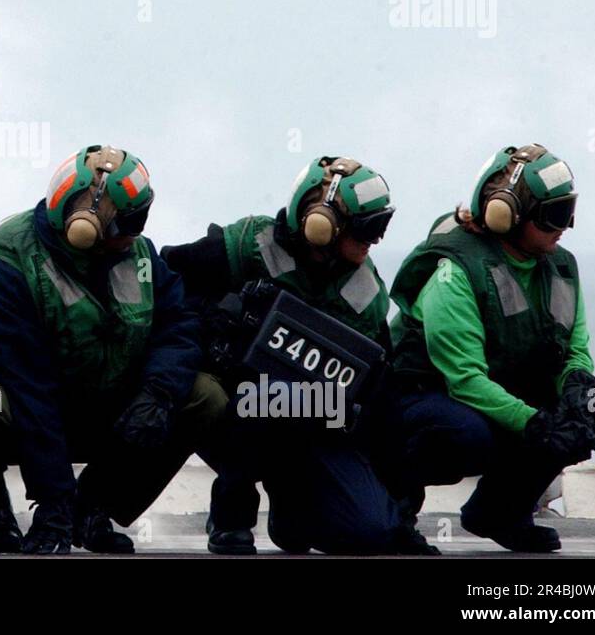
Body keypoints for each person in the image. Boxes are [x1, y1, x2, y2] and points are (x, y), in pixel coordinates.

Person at [0, 145, 228, 554]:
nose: (138, 231)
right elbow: (29, 385)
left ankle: (93, 507)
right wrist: (53, 501)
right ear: (89, 223)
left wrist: (157, 394)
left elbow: (178, 327)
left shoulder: (136, 254)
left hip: (100, 404)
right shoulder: (6, 267)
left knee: (203, 396)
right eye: (132, 219)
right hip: (25, 410)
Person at [163, 155, 432, 555]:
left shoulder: (365, 290)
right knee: (260, 402)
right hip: (236, 404)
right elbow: (169, 278)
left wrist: (402, 514)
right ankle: (231, 515)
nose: (374, 241)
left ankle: (293, 512)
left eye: (381, 227)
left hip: (317, 418)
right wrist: (219, 322)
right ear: (322, 222)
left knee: (371, 533)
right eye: (366, 228)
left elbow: (380, 392)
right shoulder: (249, 246)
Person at [388, 144, 595, 552]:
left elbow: (575, 348)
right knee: (465, 435)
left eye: (569, 211)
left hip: (497, 392)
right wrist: (538, 425)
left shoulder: (560, 267)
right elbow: (465, 379)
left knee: (593, 404)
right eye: (555, 216)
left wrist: (579, 390)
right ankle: (395, 505)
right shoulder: (455, 273)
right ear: (508, 216)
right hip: (427, 397)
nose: (567, 226)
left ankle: (500, 513)